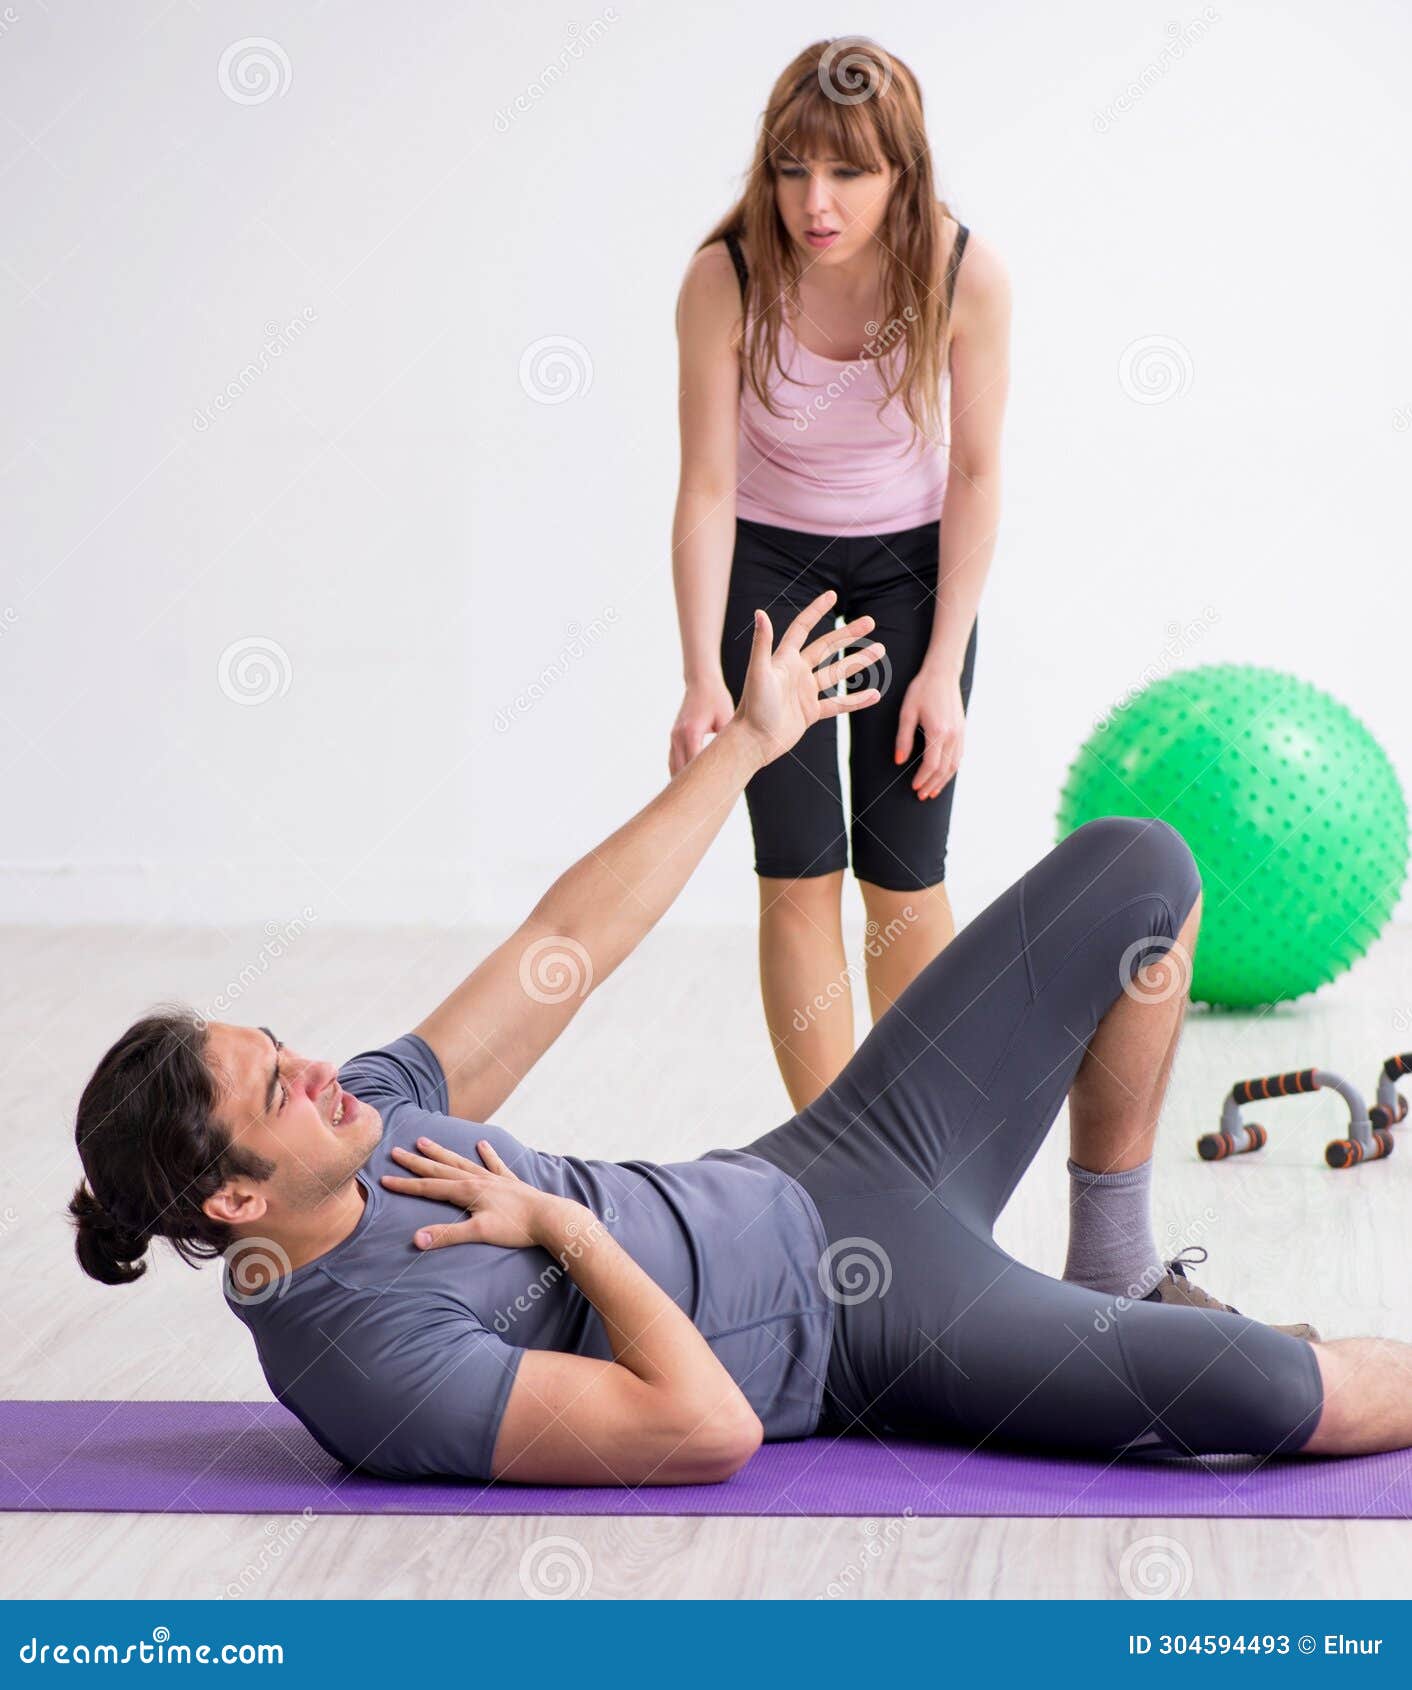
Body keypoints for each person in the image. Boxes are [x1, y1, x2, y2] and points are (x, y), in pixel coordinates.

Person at [69, 591, 1411, 1487]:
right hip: (863, 1322)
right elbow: (705, 1429)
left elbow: (567, 943)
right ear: (233, 1195)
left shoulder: (363, 1115)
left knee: (1138, 869)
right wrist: (564, 1229)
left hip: (827, 1165)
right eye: (275, 1086)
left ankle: (1114, 1258)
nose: (319, 1069)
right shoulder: (369, 1360)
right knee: (1267, 1399)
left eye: (282, 1043)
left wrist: (752, 743)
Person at [670, 37, 1011, 1110]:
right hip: (774, 573)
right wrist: (699, 679)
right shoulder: (723, 278)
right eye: (790, 169)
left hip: (913, 575)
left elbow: (974, 471)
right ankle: (830, 1159)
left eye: (848, 173)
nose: (813, 202)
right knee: (797, 873)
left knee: (903, 880)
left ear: (900, 171)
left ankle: (918, 1159)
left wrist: (942, 666)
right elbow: (706, 490)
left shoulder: (964, 276)